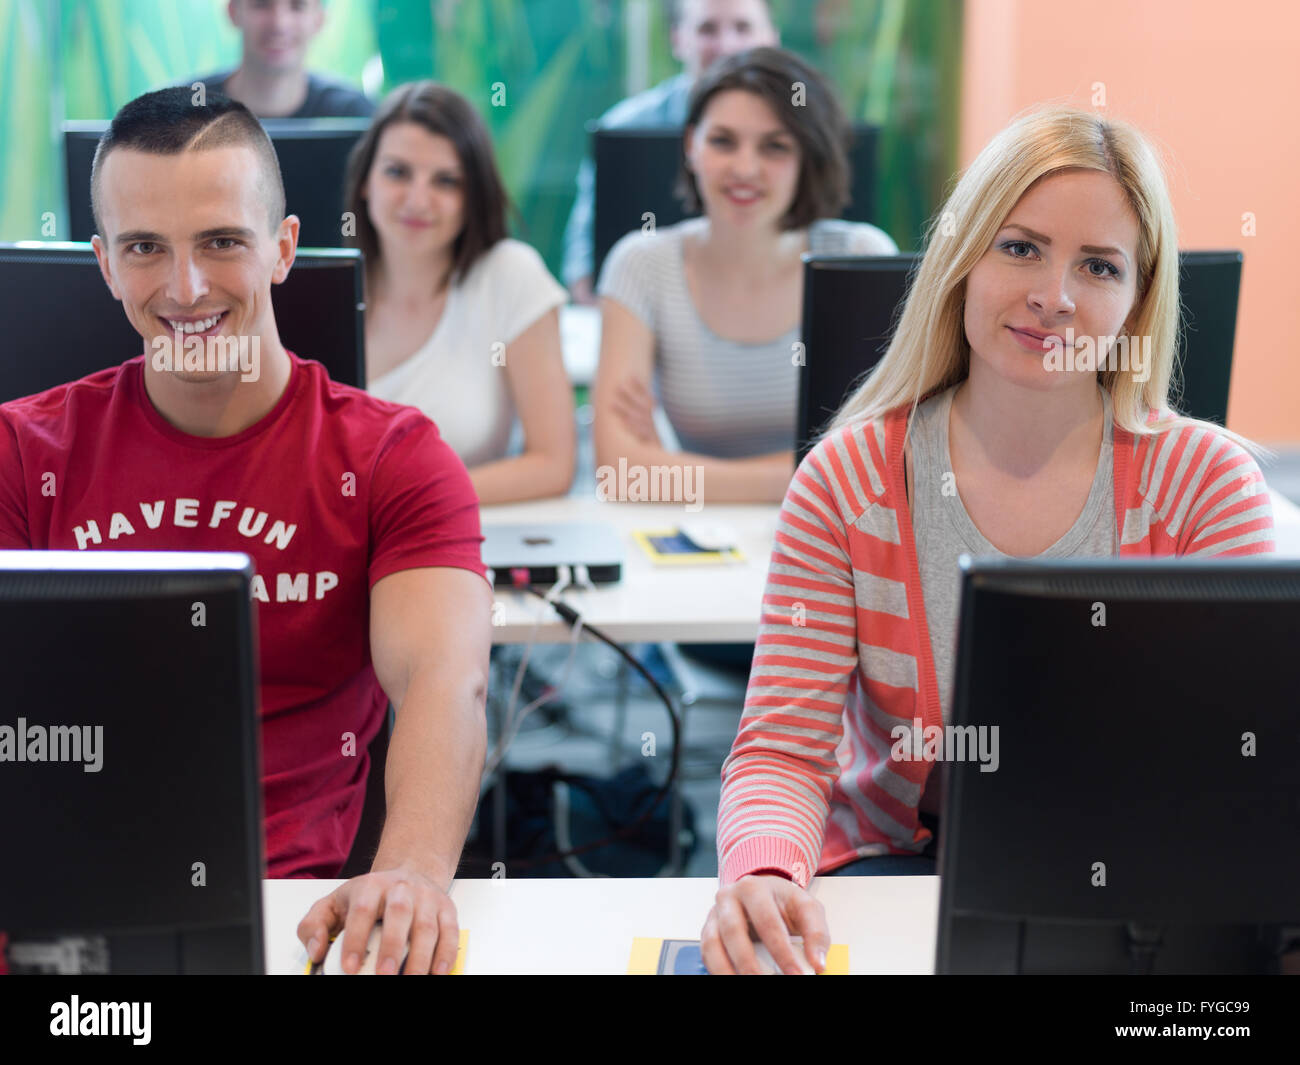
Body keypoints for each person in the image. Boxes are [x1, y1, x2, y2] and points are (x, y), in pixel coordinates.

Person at [700, 103, 1277, 975]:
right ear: (962, 259)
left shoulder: (1208, 486)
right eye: (1020, 247)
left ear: (1136, 300)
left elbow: (1246, 762)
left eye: (1099, 265)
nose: (1055, 294)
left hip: (1137, 905)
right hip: (894, 883)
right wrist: (765, 870)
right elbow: (783, 751)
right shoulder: (849, 481)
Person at [0, 88, 489, 976]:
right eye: (147, 249)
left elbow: (443, 684)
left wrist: (413, 873)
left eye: (221, 241)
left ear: (283, 248)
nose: (186, 289)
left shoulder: (391, 459)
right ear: (106, 265)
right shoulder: (20, 451)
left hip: (287, 918)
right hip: (55, 904)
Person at [594, 46, 899, 507]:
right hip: (702, 543)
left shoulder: (860, 255)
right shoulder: (639, 264)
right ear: (691, 145)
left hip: (839, 541)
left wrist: (666, 466)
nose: (744, 169)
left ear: (807, 159)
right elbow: (620, 476)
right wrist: (813, 474)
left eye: (774, 146)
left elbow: (886, 460)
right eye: (723, 141)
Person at [344, 82, 575, 503]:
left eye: (446, 181)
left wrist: (404, 501)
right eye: (397, 172)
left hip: (462, 536)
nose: (417, 200)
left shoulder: (509, 275)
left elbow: (553, 465)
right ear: (364, 182)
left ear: (473, 197)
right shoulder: (327, 287)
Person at [562, 0, 780, 303]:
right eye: (707, 28)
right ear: (677, 38)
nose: (727, 45)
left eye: (743, 27)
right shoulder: (624, 127)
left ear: (772, 36)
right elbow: (583, 265)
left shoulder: (805, 130)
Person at [191, 0, 374, 118]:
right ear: (233, 12)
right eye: (262, 4)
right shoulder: (189, 104)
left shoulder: (351, 113)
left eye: (297, 6)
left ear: (319, 19)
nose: (279, 23)